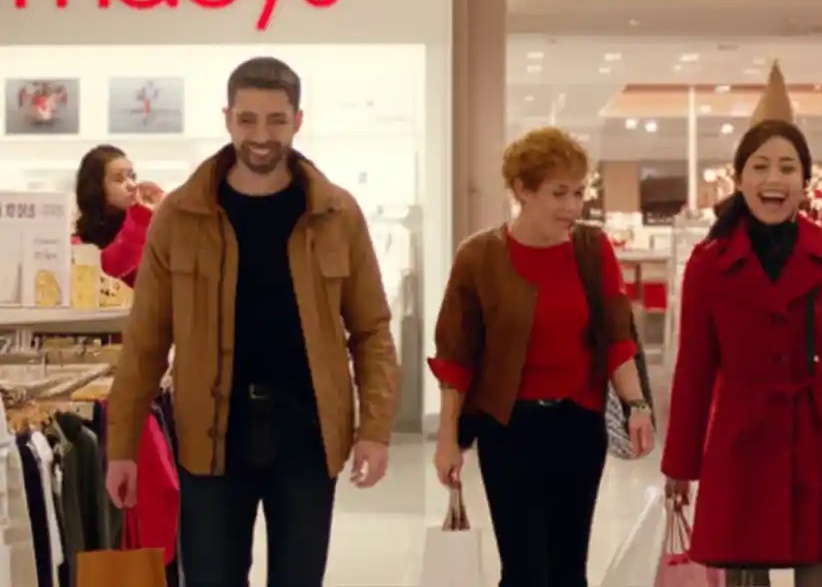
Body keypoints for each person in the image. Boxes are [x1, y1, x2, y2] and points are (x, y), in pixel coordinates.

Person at [104, 56, 402, 587]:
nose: (261, 136)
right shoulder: (181, 215)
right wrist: (122, 447)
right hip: (212, 434)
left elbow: (373, 331)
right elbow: (146, 339)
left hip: (308, 435)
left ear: (298, 120)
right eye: (247, 120)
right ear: (227, 118)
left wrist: (375, 430)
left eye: (275, 120)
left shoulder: (336, 214)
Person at [662, 64, 822, 587]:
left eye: (787, 167)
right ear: (740, 178)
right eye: (760, 166)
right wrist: (679, 466)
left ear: (805, 182)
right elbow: (694, 367)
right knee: (742, 578)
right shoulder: (709, 263)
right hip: (740, 442)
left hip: (818, 438)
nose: (773, 180)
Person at [430, 126, 655, 587]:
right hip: (509, 428)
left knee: (570, 567)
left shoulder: (593, 250)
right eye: (559, 193)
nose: (572, 207)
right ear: (522, 189)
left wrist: (637, 405)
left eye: (578, 193)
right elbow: (456, 357)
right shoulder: (478, 257)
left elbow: (617, 338)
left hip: (579, 423)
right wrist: (447, 438)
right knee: (525, 570)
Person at [73, 144, 165, 286]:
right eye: (118, 179)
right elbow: (109, 268)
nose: (132, 185)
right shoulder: (76, 244)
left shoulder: (147, 226)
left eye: (132, 176)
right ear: (96, 188)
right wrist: (140, 217)